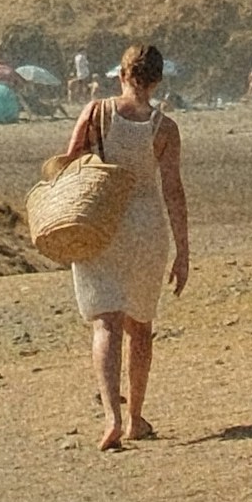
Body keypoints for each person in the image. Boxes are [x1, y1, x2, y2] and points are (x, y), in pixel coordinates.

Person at [57, 37, 190, 451]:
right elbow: (173, 191)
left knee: (106, 322)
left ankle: (111, 416)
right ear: (158, 80)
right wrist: (183, 252)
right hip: (147, 226)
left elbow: (69, 163)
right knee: (141, 326)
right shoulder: (165, 128)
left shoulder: (96, 112)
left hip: (102, 220)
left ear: (122, 73)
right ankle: (135, 418)